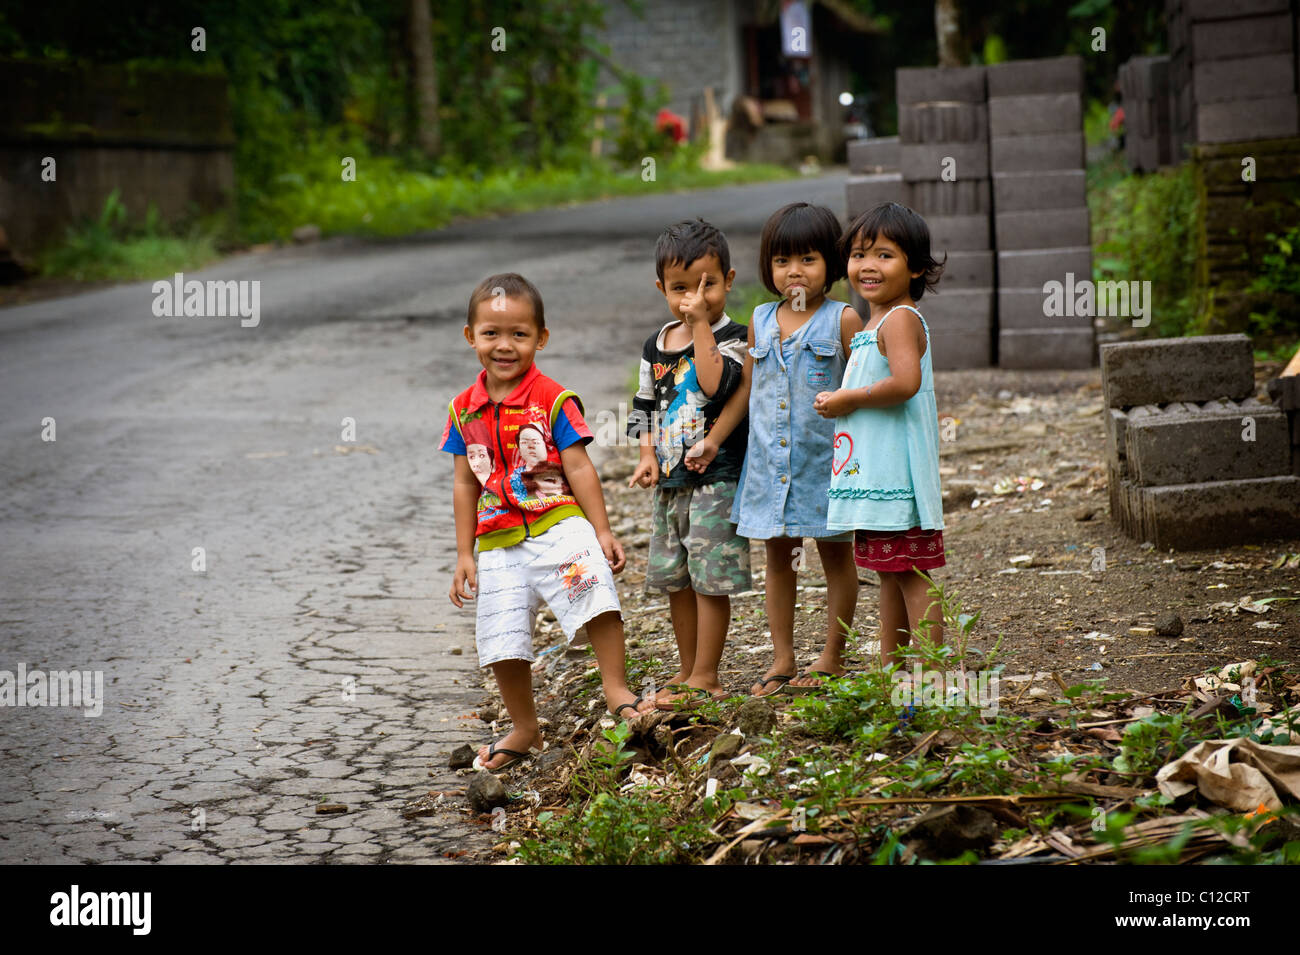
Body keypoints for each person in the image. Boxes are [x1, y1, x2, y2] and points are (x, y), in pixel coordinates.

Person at [441, 273, 655, 772]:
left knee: (595, 587)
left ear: (541, 338)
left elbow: (579, 466)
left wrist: (601, 531)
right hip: (496, 538)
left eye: (519, 333)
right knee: (501, 633)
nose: (505, 345)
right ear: (470, 336)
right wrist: (463, 554)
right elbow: (464, 484)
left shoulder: (554, 399)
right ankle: (524, 726)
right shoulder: (460, 410)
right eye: (492, 333)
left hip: (558, 521)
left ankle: (616, 690)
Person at [690, 203, 862, 695]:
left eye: (808, 259)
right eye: (783, 260)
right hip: (769, 468)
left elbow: (863, 386)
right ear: (768, 266)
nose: (795, 271)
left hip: (826, 466)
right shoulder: (761, 320)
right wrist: (714, 439)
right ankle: (782, 658)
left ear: (831, 263)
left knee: (835, 558)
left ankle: (832, 655)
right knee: (779, 559)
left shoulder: (843, 320)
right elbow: (747, 388)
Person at [813, 201, 947, 667]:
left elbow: (905, 384)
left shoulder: (901, 321)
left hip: (900, 481)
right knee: (891, 573)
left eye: (885, 255)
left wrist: (849, 398)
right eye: (859, 254)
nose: (868, 265)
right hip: (878, 479)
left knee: (910, 575)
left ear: (916, 269)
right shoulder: (873, 322)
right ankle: (892, 674)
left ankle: (937, 676)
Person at [627, 219, 752, 708]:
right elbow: (643, 405)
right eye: (680, 288)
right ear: (661, 287)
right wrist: (644, 454)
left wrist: (700, 323)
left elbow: (715, 383)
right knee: (675, 579)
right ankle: (686, 671)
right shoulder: (655, 344)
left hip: (716, 480)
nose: (693, 298)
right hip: (670, 483)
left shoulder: (736, 336)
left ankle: (707, 674)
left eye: (708, 285)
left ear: (729, 278)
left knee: (708, 578)